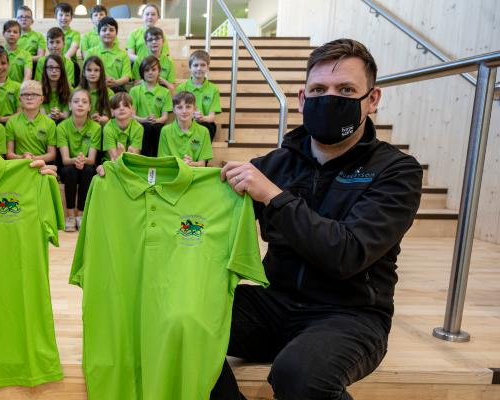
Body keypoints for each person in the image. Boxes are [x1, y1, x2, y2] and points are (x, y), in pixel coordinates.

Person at [213, 38, 425, 400]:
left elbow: (347, 253)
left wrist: (274, 196)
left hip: (350, 315)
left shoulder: (397, 171)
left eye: (346, 90)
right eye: (319, 89)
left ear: (372, 100)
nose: (330, 99)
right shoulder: (277, 164)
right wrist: (144, 183)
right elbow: (207, 210)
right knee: (178, 317)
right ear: (301, 98)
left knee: (299, 373)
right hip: (273, 303)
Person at [56, 89, 100, 232]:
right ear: (70, 105)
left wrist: (82, 160)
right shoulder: (62, 127)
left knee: (87, 171)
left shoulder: (96, 127)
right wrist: (77, 160)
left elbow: (92, 159)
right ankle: (70, 215)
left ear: (89, 107)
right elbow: (65, 159)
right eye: (76, 101)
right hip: (69, 165)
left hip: (86, 165)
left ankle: (80, 215)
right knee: (70, 171)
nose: (80, 105)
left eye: (84, 102)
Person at [6, 80, 58, 163]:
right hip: (19, 164)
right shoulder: (11, 122)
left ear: (42, 99)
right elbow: (9, 154)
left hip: (42, 165)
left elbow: (52, 155)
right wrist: (22, 158)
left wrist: (34, 159)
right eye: (25, 94)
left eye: (34, 94)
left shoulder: (50, 123)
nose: (29, 98)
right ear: (20, 99)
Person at [129, 55, 171, 156]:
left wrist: (156, 120)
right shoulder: (134, 90)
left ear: (159, 71)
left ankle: (157, 160)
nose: (150, 72)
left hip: (158, 125)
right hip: (140, 124)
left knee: (156, 128)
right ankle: (144, 160)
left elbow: (165, 117)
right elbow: (132, 115)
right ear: (142, 72)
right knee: (145, 127)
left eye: (153, 69)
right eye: (147, 70)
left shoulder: (165, 92)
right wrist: (145, 119)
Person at [175, 50, 221, 140]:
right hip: (186, 121)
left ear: (208, 67)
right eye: (195, 65)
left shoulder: (213, 89)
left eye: (203, 65)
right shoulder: (182, 88)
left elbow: (212, 117)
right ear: (190, 68)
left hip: (205, 122)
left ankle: (202, 153)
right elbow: (178, 112)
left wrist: (203, 118)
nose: (199, 68)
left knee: (207, 128)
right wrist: (189, 116)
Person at [158, 91, 212, 166]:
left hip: (194, 173)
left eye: (188, 107)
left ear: (195, 109)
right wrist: (181, 164)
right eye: (179, 107)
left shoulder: (204, 131)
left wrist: (191, 163)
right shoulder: (165, 131)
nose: (184, 111)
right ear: (173, 110)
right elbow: (163, 162)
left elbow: (202, 164)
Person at [85, 17, 131, 92]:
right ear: (98, 33)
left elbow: (126, 77)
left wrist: (115, 82)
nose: (107, 32)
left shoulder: (123, 55)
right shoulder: (91, 52)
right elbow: (86, 74)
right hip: (95, 88)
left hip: (117, 89)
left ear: (116, 33)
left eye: (111, 30)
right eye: (104, 30)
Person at [100, 92, 143, 161]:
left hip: (131, 163)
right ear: (112, 112)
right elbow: (114, 158)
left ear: (132, 110)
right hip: (111, 163)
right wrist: (124, 153)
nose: (121, 109)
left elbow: (134, 157)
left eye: (125, 105)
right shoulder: (108, 128)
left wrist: (124, 153)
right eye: (117, 106)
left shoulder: (139, 128)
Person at [130, 27, 175, 92]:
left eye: (157, 39)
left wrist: (163, 81)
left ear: (163, 41)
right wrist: (150, 79)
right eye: (150, 40)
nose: (154, 42)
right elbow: (136, 84)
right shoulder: (139, 60)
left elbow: (172, 88)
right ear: (146, 43)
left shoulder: (169, 62)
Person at [77, 55, 114, 125]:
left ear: (101, 73)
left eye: (96, 70)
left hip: (101, 128)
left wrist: (102, 119)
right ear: (84, 73)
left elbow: (109, 116)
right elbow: (73, 116)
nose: (92, 73)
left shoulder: (109, 93)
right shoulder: (77, 92)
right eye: (89, 70)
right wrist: (89, 118)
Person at [40, 54, 73, 122]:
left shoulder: (70, 90)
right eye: (50, 67)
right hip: (44, 123)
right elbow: (42, 115)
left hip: (64, 124)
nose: (54, 71)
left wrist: (60, 115)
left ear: (62, 70)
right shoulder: (38, 89)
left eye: (57, 68)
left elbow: (66, 114)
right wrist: (50, 116)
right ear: (45, 70)